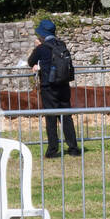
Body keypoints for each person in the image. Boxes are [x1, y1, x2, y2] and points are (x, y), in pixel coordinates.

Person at [27, 19, 81, 158]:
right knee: (66, 117)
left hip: (48, 87)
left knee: (51, 119)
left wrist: (37, 48)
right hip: (63, 86)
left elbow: (30, 62)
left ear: (42, 34)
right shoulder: (61, 44)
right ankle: (73, 148)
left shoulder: (42, 48)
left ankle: (52, 150)